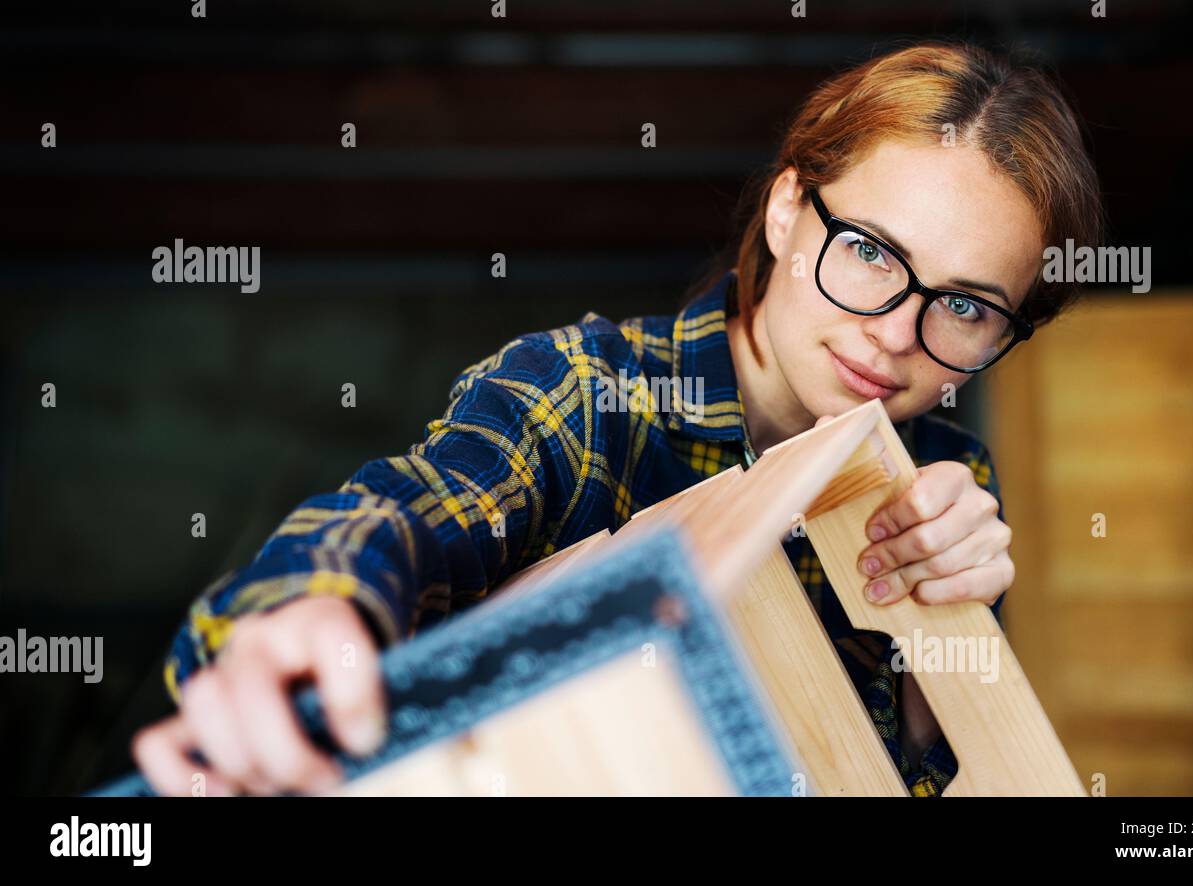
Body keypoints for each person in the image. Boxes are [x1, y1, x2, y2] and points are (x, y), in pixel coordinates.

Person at [132, 39, 1103, 797]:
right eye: (868, 252)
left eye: (967, 307)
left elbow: (927, 772)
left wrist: (945, 652)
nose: (894, 334)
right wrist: (317, 609)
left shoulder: (948, 479)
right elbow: (417, 511)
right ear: (783, 212)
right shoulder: (588, 390)